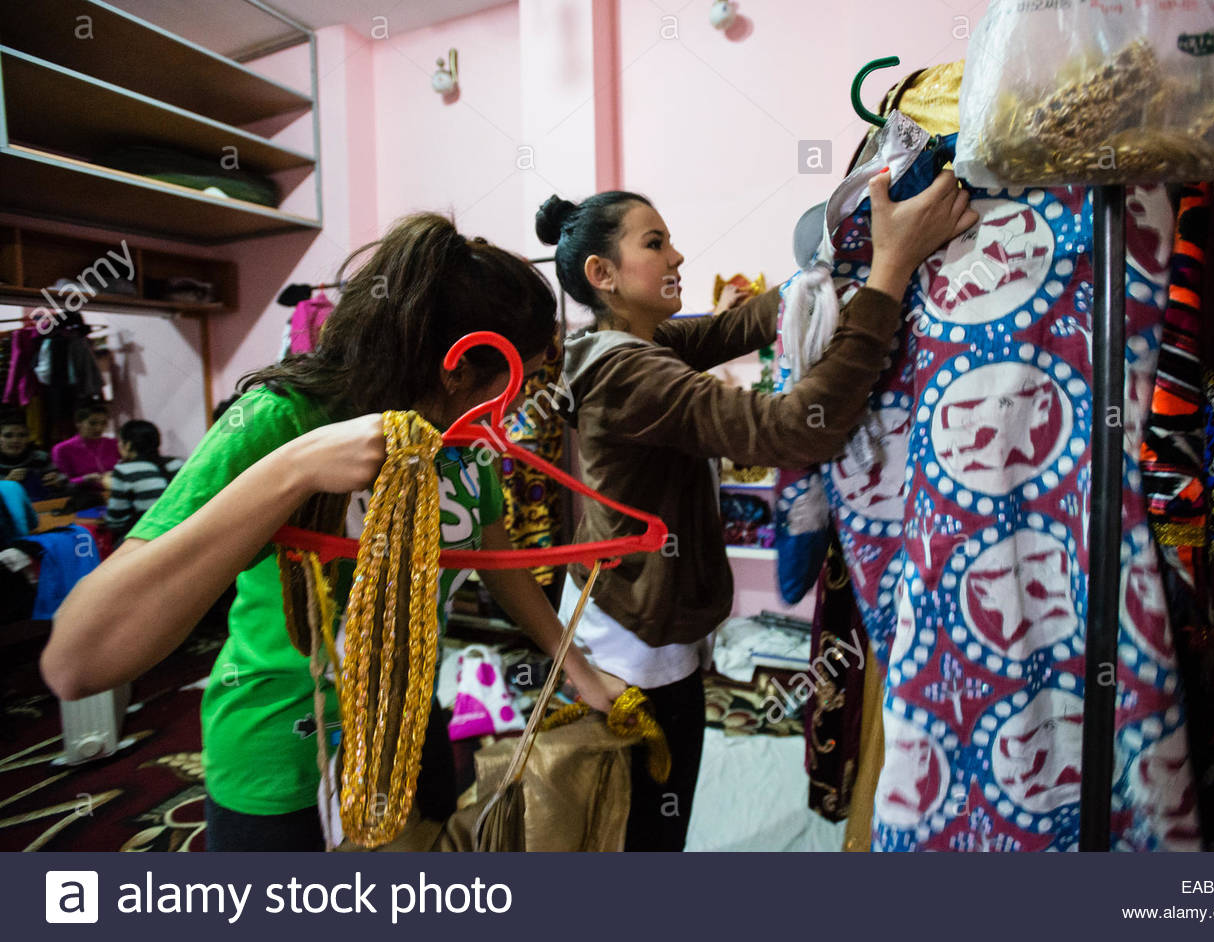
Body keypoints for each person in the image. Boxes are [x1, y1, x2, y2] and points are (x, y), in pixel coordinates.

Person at [41, 213, 627, 851]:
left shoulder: (466, 440)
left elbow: (495, 556)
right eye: (521, 379)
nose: (521, 403)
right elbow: (77, 662)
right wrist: (293, 471)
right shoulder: (283, 419)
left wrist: (577, 668)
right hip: (281, 755)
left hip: (403, 729)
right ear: (458, 369)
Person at [536, 170, 976, 850]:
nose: (678, 257)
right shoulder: (628, 372)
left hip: (627, 618)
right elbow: (796, 429)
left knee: (646, 825)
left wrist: (832, 269)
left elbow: (732, 326)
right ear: (604, 273)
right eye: (656, 243)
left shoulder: (629, 346)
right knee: (644, 832)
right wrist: (887, 273)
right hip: (630, 647)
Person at [103, 420, 184, 541]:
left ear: (128, 444)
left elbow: (116, 522)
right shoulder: (176, 463)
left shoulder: (124, 470)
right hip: (183, 531)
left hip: (151, 538)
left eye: (120, 441)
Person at [0, 407, 67, 501]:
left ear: (28, 438)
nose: (15, 440)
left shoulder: (40, 457)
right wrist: (7, 483)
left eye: (22, 435)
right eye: (8, 436)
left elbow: (63, 479)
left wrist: (58, 480)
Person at [51, 401, 118, 490]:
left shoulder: (114, 444)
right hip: (83, 496)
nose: (99, 428)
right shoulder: (62, 449)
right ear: (78, 424)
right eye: (92, 423)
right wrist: (84, 479)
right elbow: (61, 483)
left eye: (103, 423)